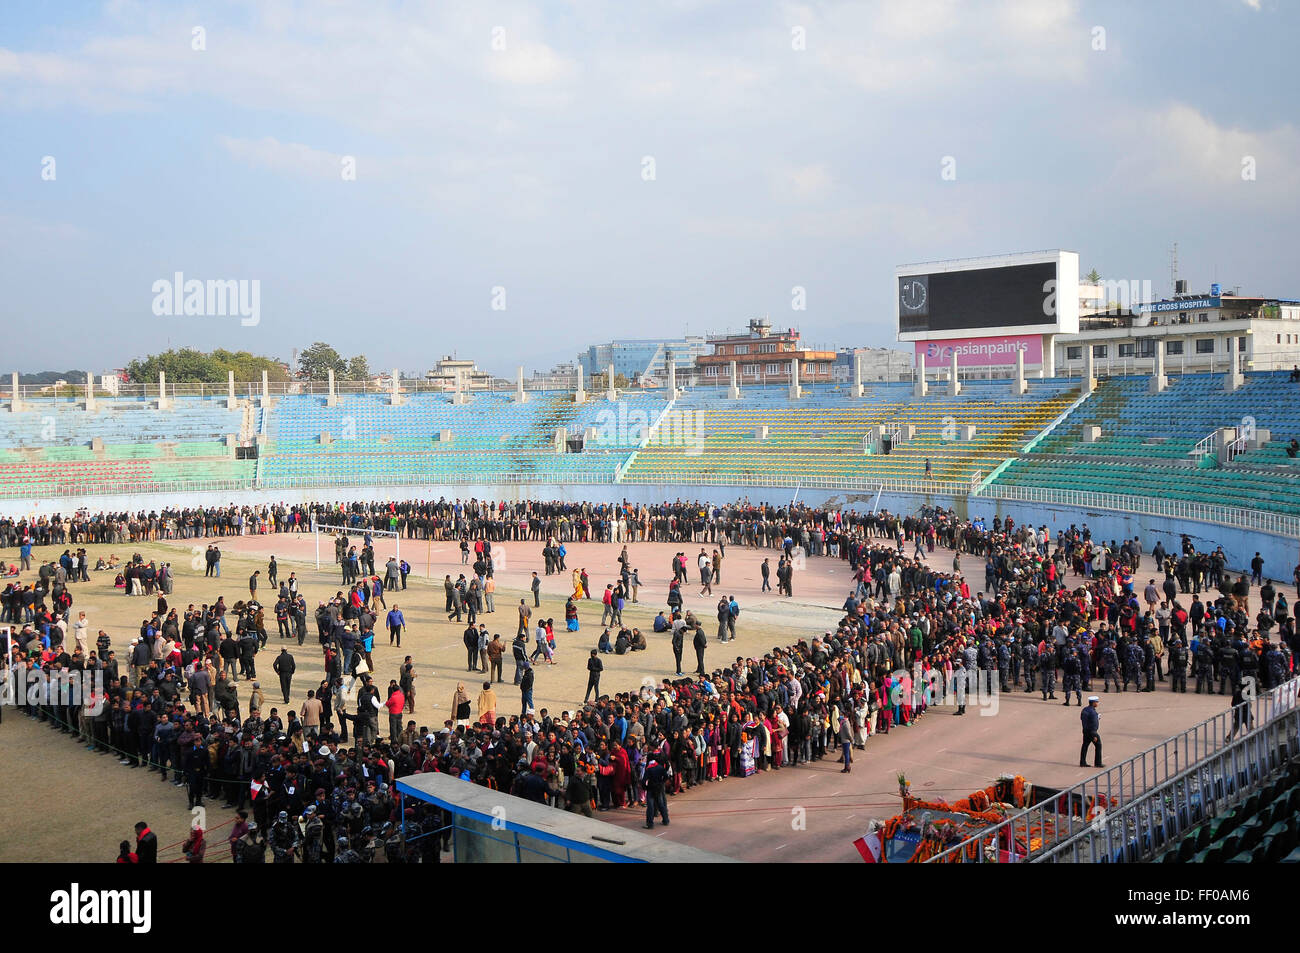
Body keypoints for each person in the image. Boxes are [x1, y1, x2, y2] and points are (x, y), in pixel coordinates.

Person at [1080, 696, 1102, 768]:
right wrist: (1094, 735)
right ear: (1093, 703)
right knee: (1098, 745)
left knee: (1085, 746)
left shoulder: (1085, 710)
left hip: (1085, 731)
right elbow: (1093, 723)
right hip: (1092, 732)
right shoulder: (1092, 712)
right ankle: (1098, 763)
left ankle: (1082, 762)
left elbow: (1083, 719)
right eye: (1096, 702)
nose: (1097, 703)